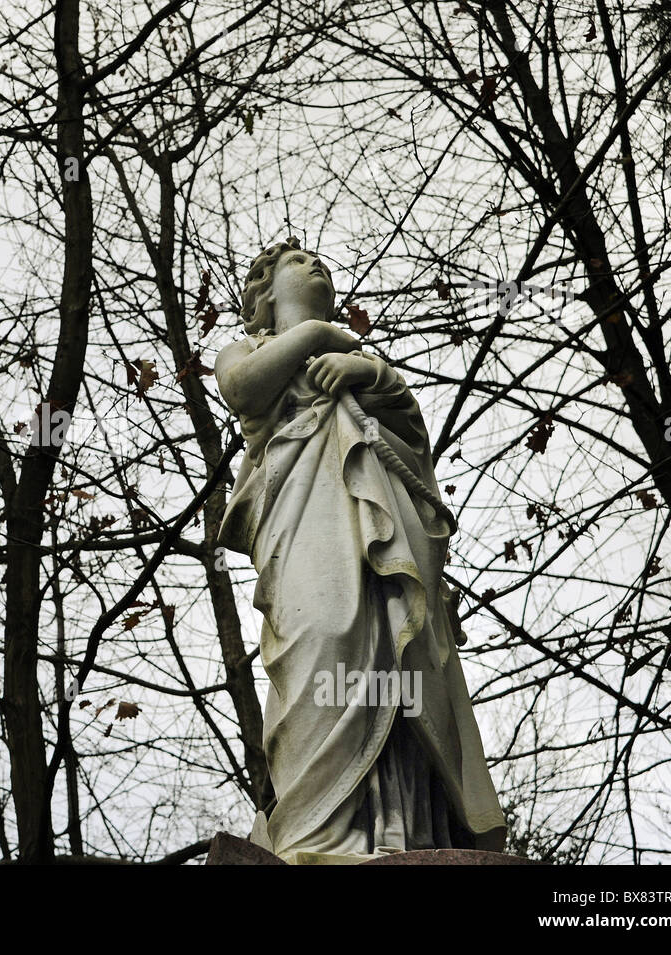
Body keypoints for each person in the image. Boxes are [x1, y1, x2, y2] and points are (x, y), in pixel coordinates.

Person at [214, 238, 507, 863]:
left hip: (374, 525)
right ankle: (315, 828)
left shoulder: (358, 363)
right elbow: (242, 390)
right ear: (263, 295)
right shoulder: (249, 348)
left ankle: (398, 829)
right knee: (320, 634)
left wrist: (368, 372)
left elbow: (412, 443)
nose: (316, 265)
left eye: (322, 263)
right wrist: (323, 335)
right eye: (297, 263)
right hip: (298, 516)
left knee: (389, 647)